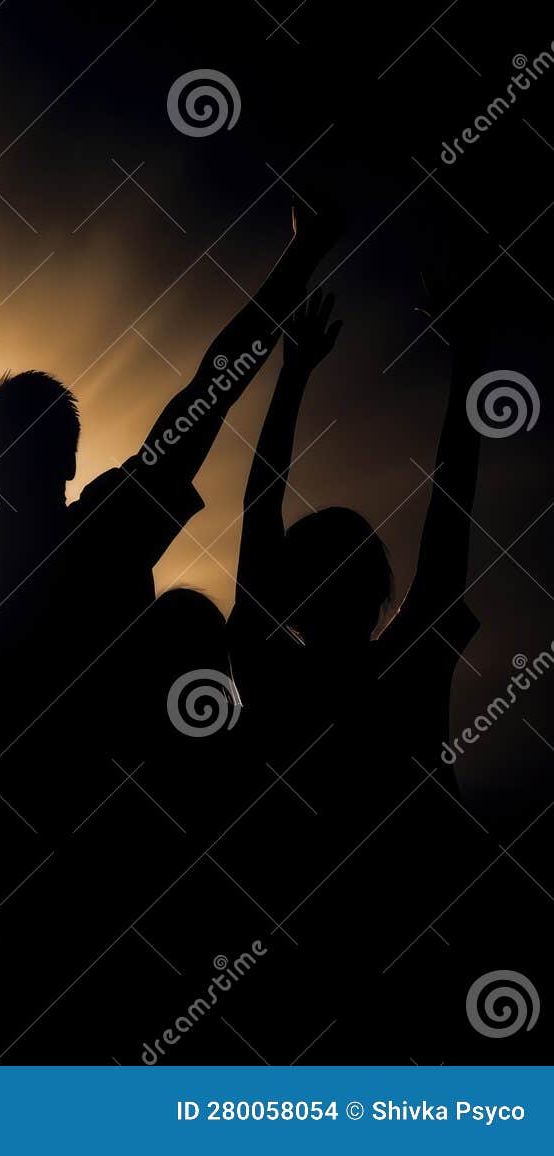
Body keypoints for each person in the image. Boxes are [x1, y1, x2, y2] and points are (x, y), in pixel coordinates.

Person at [0, 176, 342, 1061]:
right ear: (72, 457)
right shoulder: (111, 527)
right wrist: (301, 253)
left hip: (6, 852)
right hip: (112, 853)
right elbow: (212, 387)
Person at [227, 271, 490, 1060]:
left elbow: (258, 514)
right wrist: (469, 366)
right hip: (422, 952)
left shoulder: (274, 675)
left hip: (304, 967)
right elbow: (451, 510)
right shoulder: (408, 668)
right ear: (379, 591)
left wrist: (293, 377)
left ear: (291, 594)